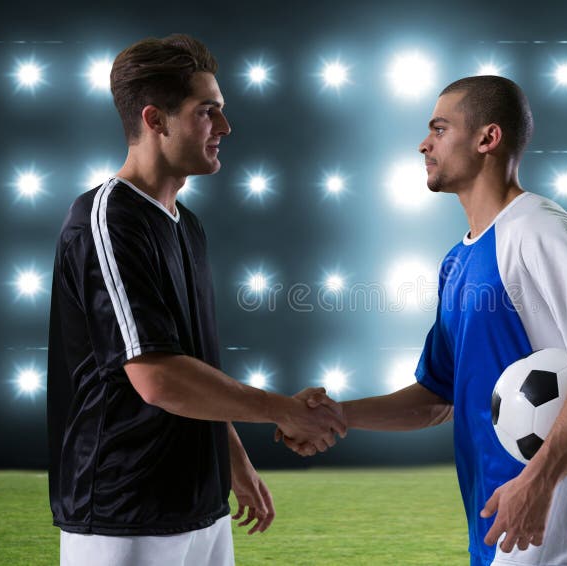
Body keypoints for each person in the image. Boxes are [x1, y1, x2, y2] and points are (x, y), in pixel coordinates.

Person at [281, 76, 567, 566]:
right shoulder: (459, 260)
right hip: (497, 521)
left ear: (487, 139)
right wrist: (339, 416)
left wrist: (538, 482)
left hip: (552, 523)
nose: (423, 144)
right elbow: (438, 396)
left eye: (439, 128)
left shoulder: (537, 229)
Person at [47, 34, 346, 566]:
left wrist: (232, 461)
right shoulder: (107, 219)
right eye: (208, 113)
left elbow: (192, 364)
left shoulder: (189, 227)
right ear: (155, 120)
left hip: (202, 507)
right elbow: (157, 377)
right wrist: (284, 411)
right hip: (124, 513)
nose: (225, 129)